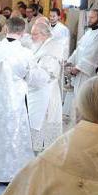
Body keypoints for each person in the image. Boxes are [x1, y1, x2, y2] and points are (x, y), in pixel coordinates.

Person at [0, 16, 48, 184]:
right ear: (23, 31)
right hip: (14, 101)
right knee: (11, 134)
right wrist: (46, 74)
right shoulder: (26, 53)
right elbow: (34, 78)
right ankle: (10, 171)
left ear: (6, 28)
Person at [65, 9, 98, 122]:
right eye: (88, 17)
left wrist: (78, 68)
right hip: (80, 74)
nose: (89, 20)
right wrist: (69, 61)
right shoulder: (89, 33)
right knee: (78, 100)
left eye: (92, 18)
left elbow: (93, 55)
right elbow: (78, 49)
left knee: (85, 102)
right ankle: (77, 124)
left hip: (88, 75)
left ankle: (84, 125)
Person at [28, 22, 63, 152]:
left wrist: (27, 73)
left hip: (46, 92)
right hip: (36, 90)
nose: (32, 37)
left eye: (34, 34)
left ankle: (40, 147)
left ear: (44, 35)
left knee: (43, 119)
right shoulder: (41, 44)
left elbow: (46, 74)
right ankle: (36, 145)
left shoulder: (52, 49)